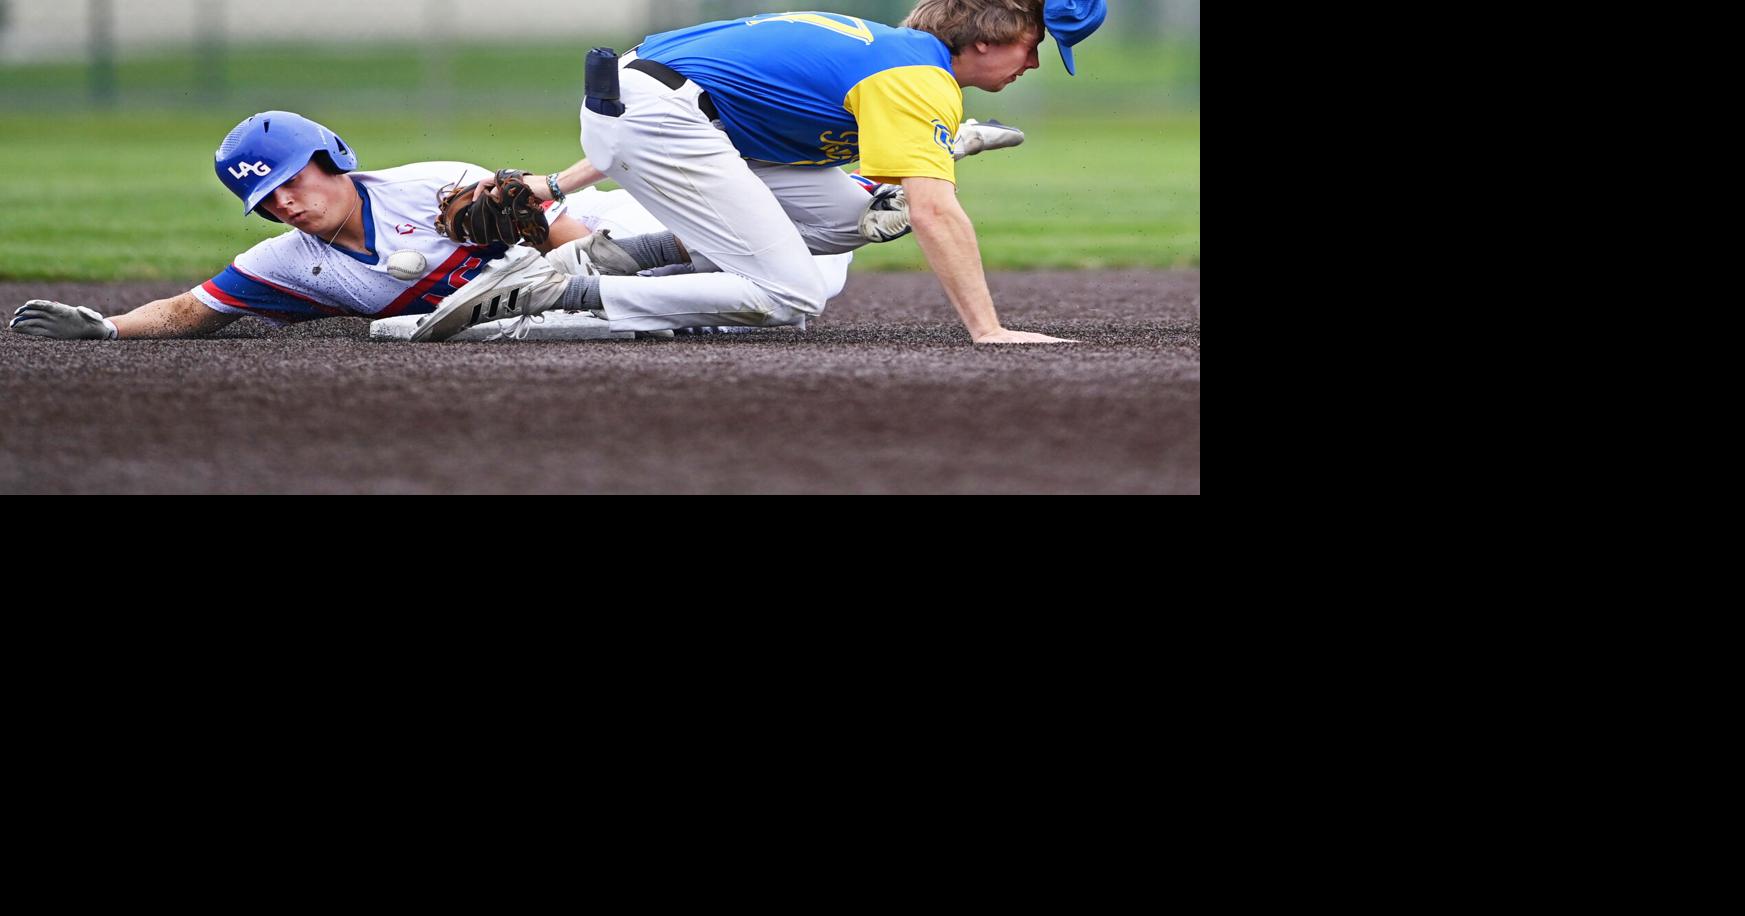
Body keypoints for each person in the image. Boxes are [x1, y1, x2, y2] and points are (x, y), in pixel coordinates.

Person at [412, 0, 1104, 346]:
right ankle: (547, 292)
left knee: (849, 220)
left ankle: (616, 255)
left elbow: (669, 93)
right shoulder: (914, 77)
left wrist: (559, 185)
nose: (1035, 64)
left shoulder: (887, 51)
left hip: (656, 111)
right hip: (662, 118)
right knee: (790, 296)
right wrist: (987, 331)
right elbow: (935, 212)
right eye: (1035, 45)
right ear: (989, 34)